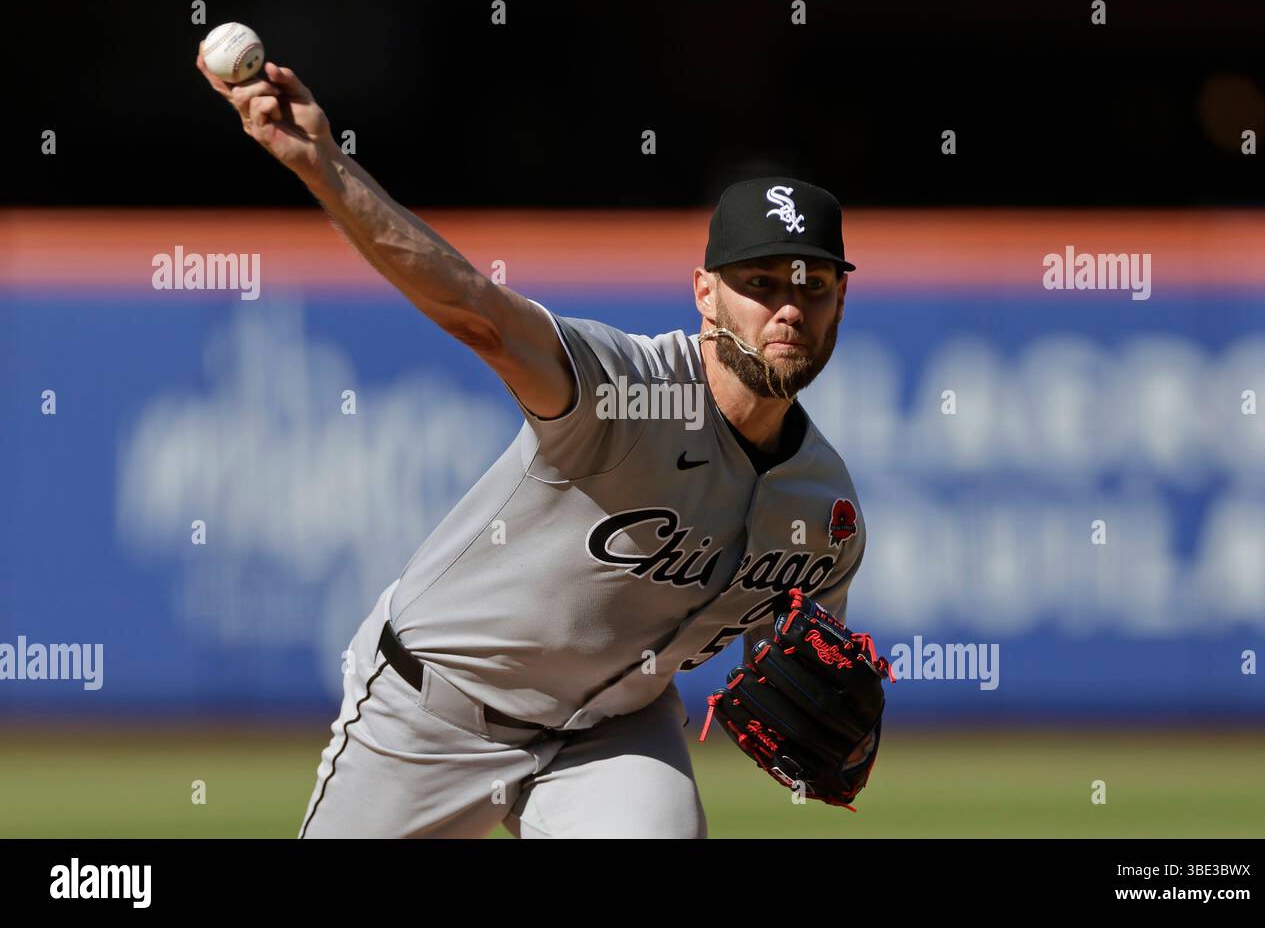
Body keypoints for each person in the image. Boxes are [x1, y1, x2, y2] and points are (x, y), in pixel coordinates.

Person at [196, 45, 866, 838]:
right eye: (760, 283)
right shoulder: (627, 391)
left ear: (840, 301)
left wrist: (829, 714)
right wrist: (323, 164)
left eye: (813, 285)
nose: (788, 308)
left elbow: (791, 667)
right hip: (433, 710)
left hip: (612, 737)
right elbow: (477, 311)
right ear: (705, 295)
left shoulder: (826, 510)